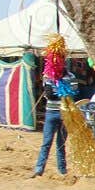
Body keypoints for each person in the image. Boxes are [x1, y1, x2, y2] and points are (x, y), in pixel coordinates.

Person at [32, 36, 74, 177]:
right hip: (51, 113)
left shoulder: (70, 77)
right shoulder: (48, 77)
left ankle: (62, 170)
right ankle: (39, 169)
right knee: (46, 142)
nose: (57, 61)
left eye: (60, 58)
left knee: (61, 144)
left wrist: (63, 93)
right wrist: (61, 93)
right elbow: (49, 95)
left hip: (65, 114)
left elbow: (73, 93)